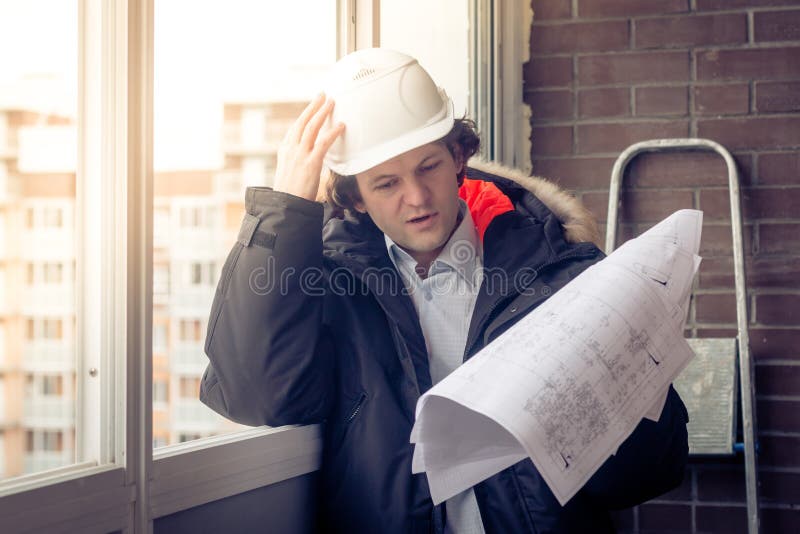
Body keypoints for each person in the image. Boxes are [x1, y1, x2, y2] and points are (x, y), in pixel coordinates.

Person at [200, 48, 689, 533]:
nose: (416, 197)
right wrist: (283, 212)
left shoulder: (559, 271)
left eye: (428, 166)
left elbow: (648, 473)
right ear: (356, 198)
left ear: (458, 157)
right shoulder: (332, 288)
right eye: (387, 183)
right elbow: (256, 395)